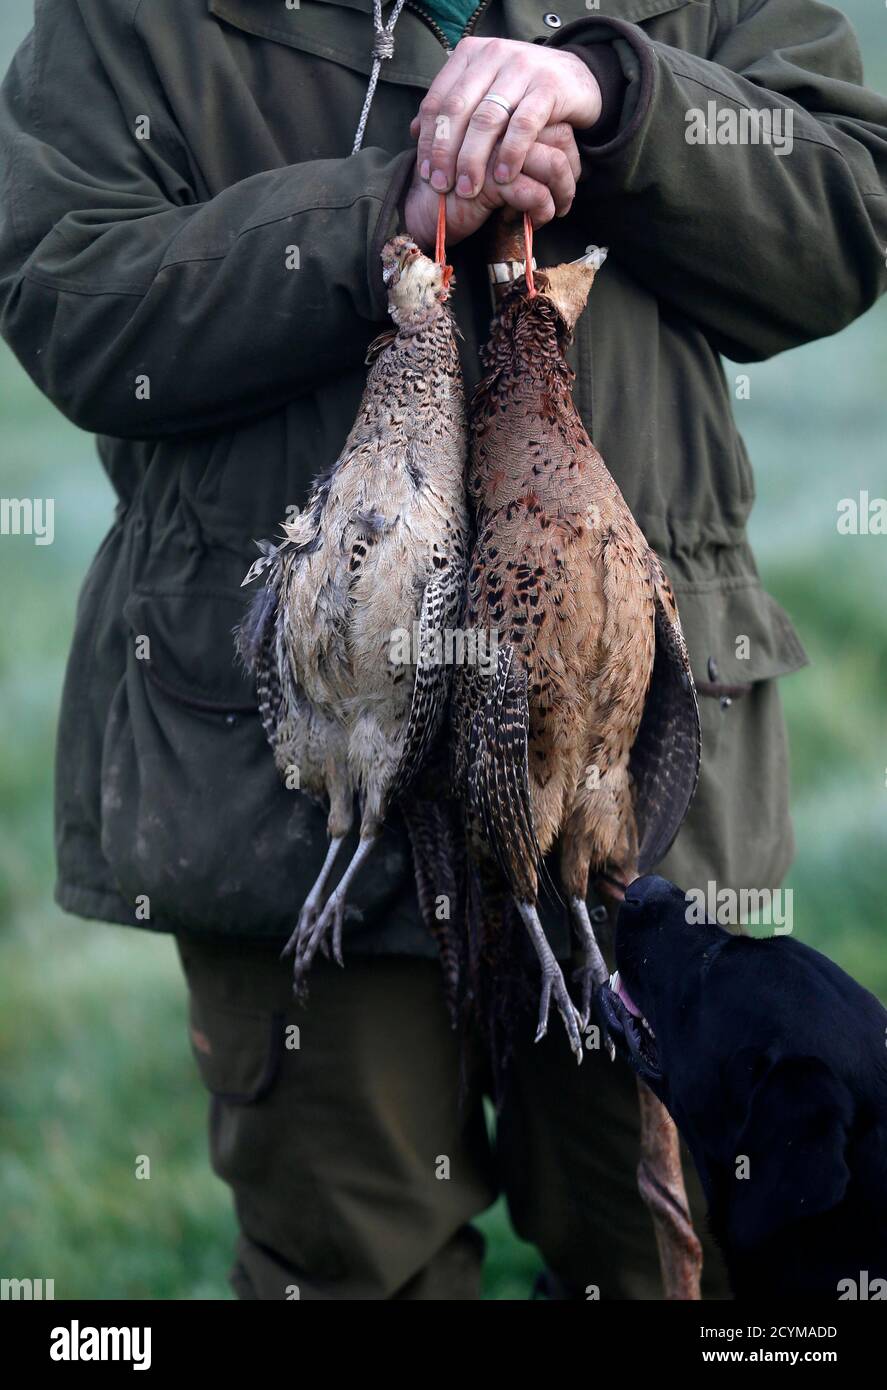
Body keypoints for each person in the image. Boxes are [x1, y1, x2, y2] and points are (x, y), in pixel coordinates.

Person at [1, 0, 885, 1300]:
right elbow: (64, 285)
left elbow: (849, 203)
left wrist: (623, 103)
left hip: (615, 779)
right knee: (356, 1268)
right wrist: (382, 216)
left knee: (663, 1262)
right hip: (297, 784)